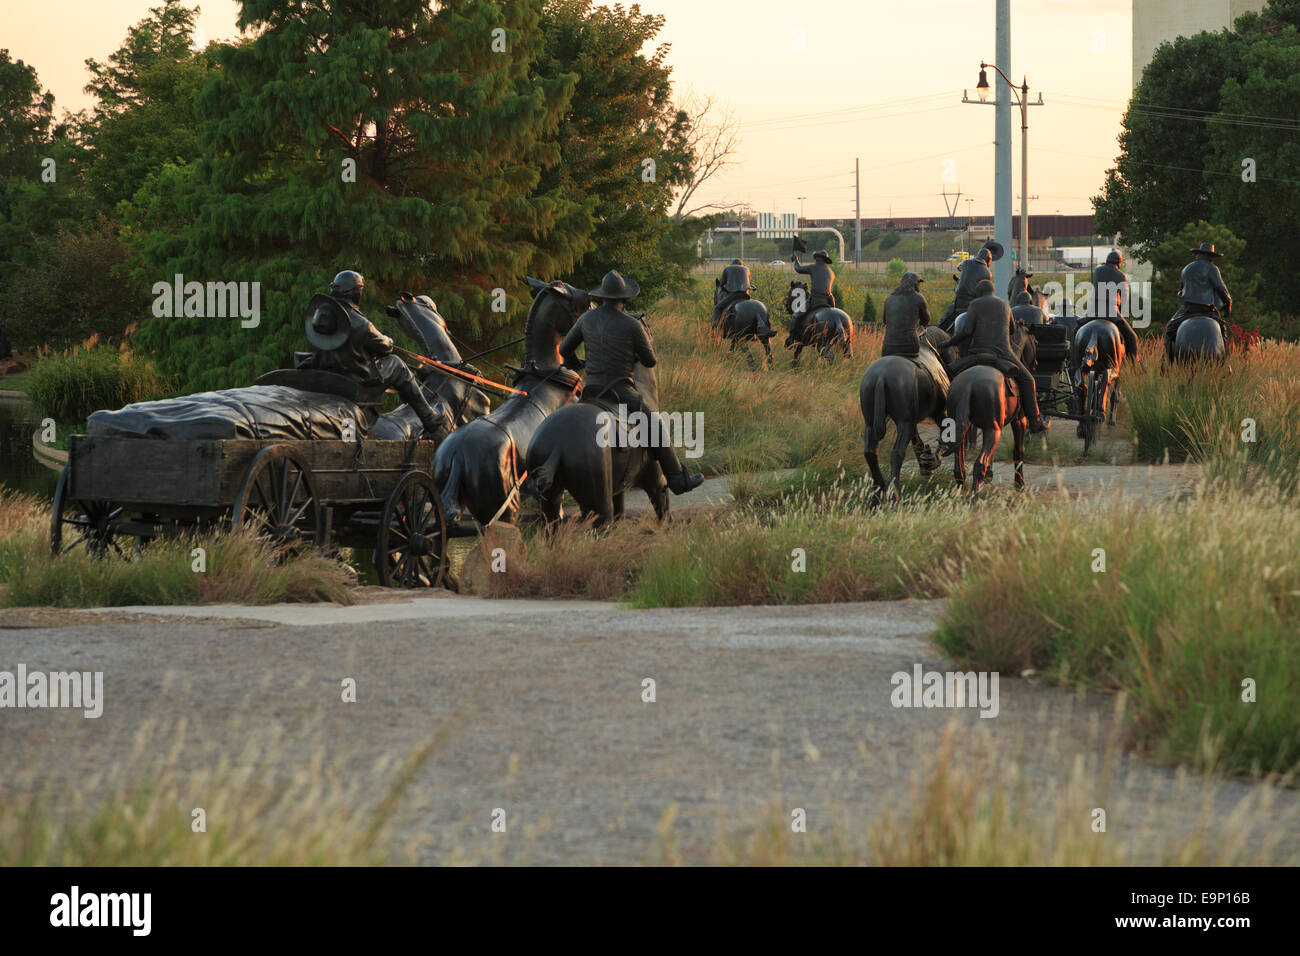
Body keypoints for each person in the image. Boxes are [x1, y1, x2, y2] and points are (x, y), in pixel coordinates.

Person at [560, 270, 703, 495]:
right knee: (654, 423)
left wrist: (576, 363)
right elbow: (650, 360)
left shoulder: (587, 319)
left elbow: (563, 349)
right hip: (621, 391)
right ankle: (677, 479)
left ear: (603, 297)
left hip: (591, 392)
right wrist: (632, 353)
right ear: (624, 299)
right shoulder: (631, 325)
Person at [306, 270, 451, 441]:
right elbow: (384, 347)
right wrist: (389, 340)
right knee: (397, 364)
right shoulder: (361, 323)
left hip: (325, 377)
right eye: (360, 289)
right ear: (354, 292)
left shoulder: (322, 316)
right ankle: (429, 418)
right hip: (355, 383)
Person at [944, 280, 1050, 434]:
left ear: (979, 293)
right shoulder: (1005, 305)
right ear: (992, 291)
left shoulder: (974, 304)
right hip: (1003, 354)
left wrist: (947, 343)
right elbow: (1013, 330)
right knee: (1028, 380)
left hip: (977, 354)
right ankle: (1034, 420)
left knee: (948, 376)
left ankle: (946, 420)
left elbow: (966, 332)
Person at [1164, 242, 1231, 362]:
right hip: (1206, 309)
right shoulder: (1212, 268)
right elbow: (1220, 287)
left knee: (1169, 330)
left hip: (1188, 309)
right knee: (1222, 329)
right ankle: (1225, 363)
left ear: (1198, 255)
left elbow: (1181, 289)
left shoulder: (1187, 268)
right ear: (1210, 256)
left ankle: (1167, 362)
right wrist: (1228, 303)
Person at [1084, 250, 1139, 359]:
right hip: (1111, 312)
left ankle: (1071, 361)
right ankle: (1132, 365)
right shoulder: (1121, 276)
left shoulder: (1096, 271)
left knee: (1076, 330)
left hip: (1092, 310)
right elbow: (1124, 300)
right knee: (1132, 337)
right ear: (1119, 263)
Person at [712, 259, 773, 339]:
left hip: (733, 295)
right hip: (745, 295)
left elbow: (722, 284)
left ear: (732, 264)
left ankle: (715, 331)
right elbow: (746, 284)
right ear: (742, 264)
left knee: (717, 308)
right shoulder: (747, 269)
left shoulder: (727, 269)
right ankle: (754, 334)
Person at [938, 245, 993, 331]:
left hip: (958, 302)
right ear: (988, 260)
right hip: (973, 305)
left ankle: (938, 331)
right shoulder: (988, 273)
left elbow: (959, 268)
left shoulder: (967, 262)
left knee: (942, 323)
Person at [788, 249, 836, 343]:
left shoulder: (814, 267)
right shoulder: (831, 272)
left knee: (796, 315)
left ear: (818, 259)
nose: (815, 260)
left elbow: (798, 269)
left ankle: (791, 338)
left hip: (815, 300)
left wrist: (795, 259)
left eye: (816, 258)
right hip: (828, 301)